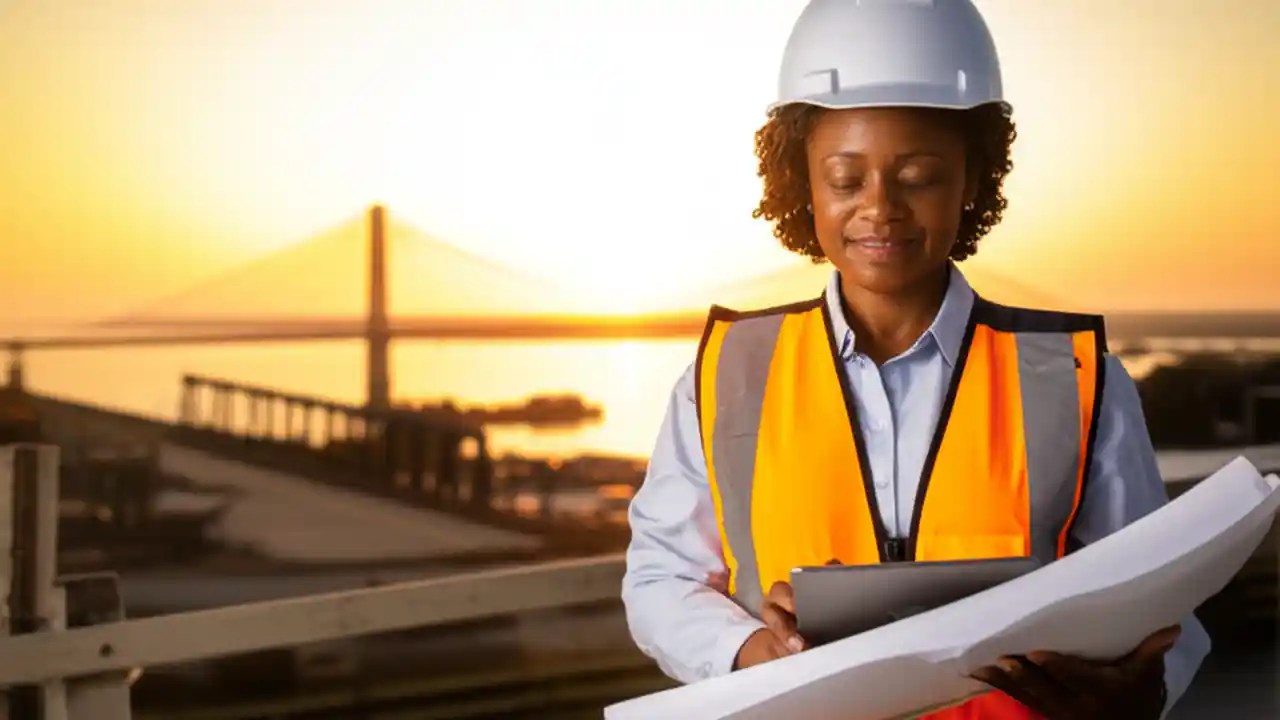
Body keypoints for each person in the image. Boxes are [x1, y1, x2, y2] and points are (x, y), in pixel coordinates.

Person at [621, 1, 1210, 718]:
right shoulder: (727, 378)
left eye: (919, 175)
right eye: (845, 179)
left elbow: (1160, 597)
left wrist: (1139, 694)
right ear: (802, 186)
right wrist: (753, 654)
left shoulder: (1076, 376)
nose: (881, 208)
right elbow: (660, 579)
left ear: (971, 180)